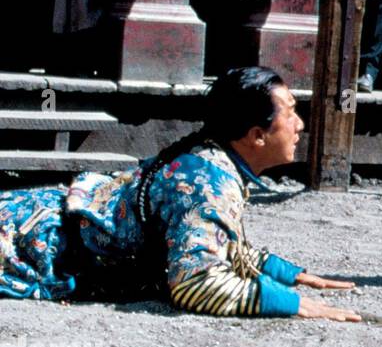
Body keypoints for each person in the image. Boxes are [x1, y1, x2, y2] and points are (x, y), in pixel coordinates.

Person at [0, 67, 359, 321]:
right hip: (25, 240)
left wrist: (286, 272)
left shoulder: (211, 161)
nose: (299, 125)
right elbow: (195, 282)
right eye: (292, 113)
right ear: (256, 135)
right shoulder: (207, 182)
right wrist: (293, 303)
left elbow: (211, 239)